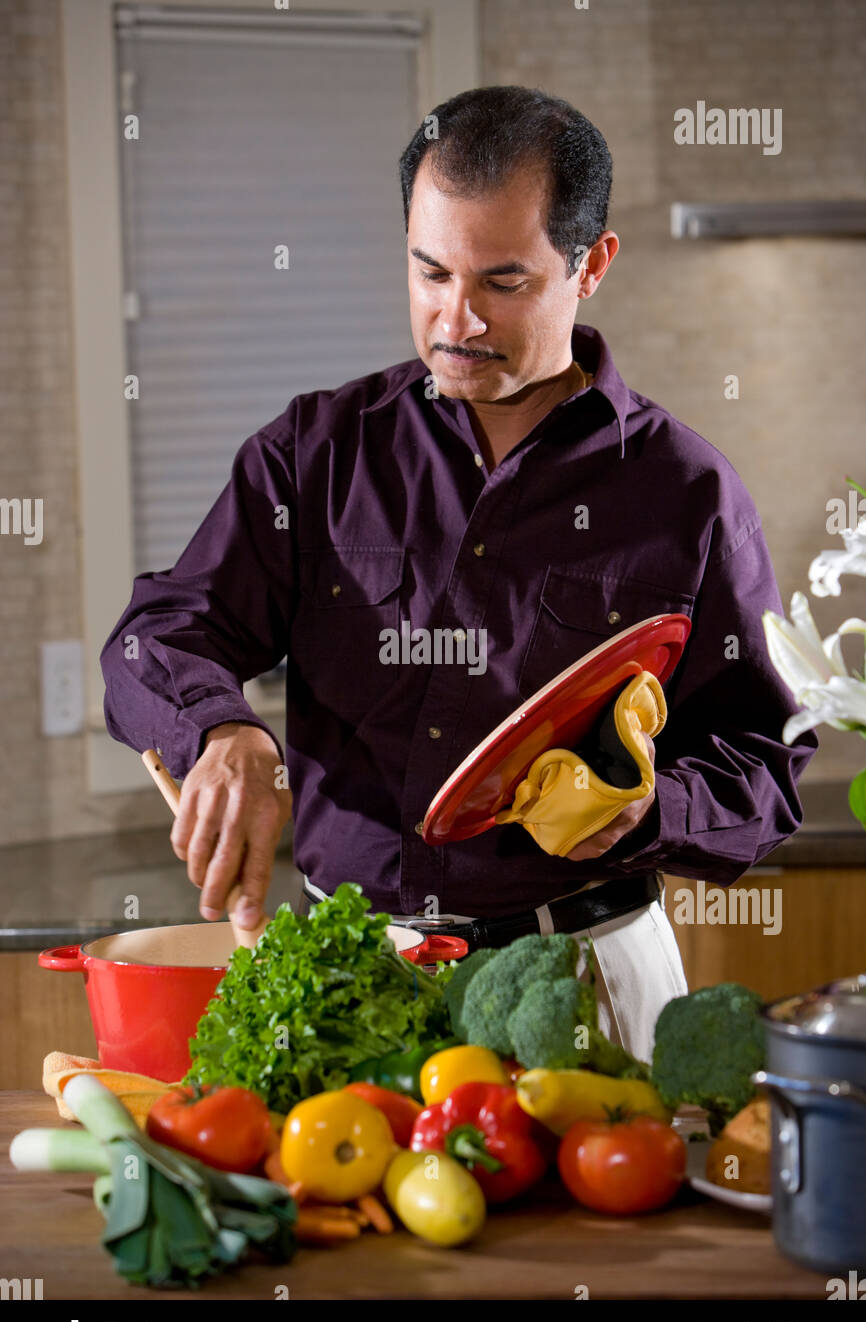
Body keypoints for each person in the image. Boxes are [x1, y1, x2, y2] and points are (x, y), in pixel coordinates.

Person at [100, 86, 817, 1062]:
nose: (456, 319)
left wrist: (644, 807)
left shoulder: (685, 492)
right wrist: (218, 730)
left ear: (590, 265)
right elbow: (157, 634)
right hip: (347, 973)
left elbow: (764, 771)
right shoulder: (314, 453)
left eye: (502, 282)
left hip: (590, 977)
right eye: (429, 271)